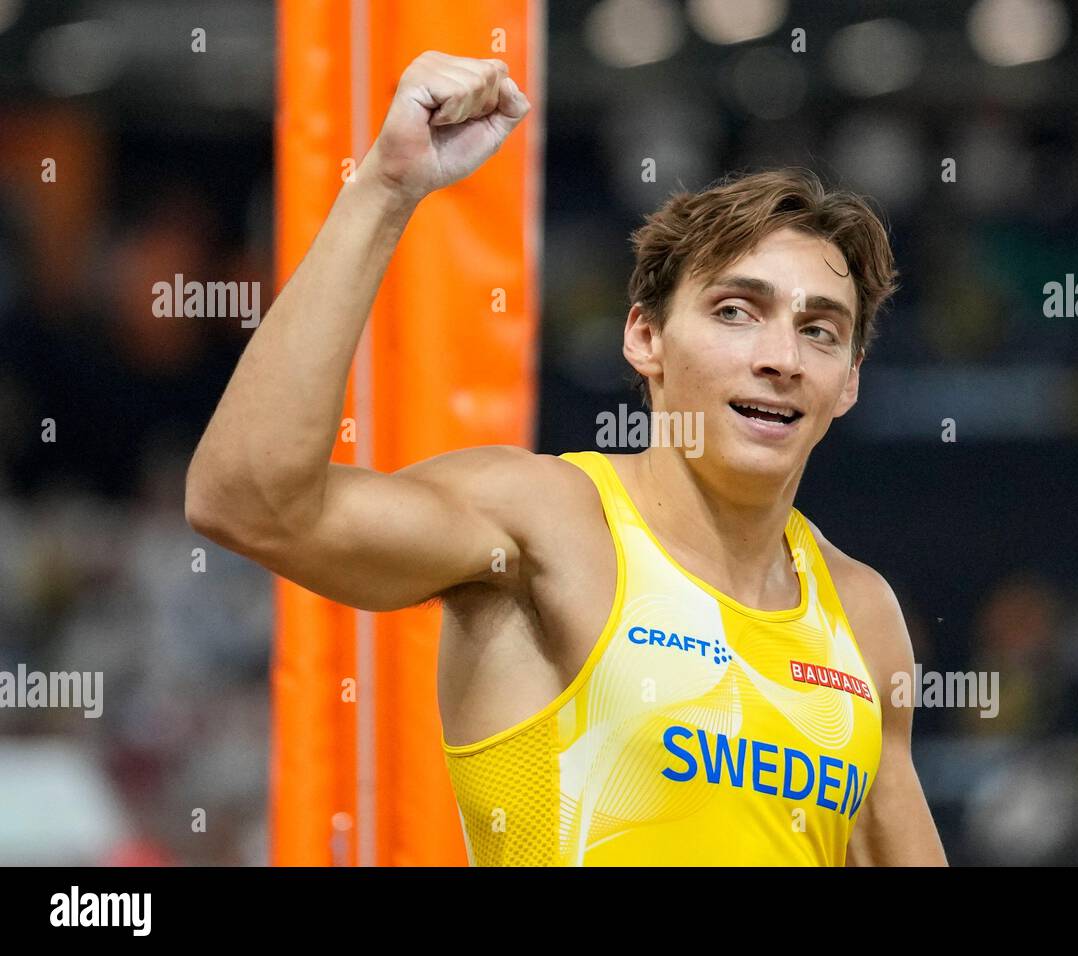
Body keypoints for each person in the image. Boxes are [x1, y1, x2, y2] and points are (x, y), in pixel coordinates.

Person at [186, 50, 947, 866]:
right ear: (645, 338)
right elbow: (246, 501)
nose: (781, 358)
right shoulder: (542, 520)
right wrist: (384, 188)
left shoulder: (860, 613)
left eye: (819, 331)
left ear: (849, 381)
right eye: (735, 311)